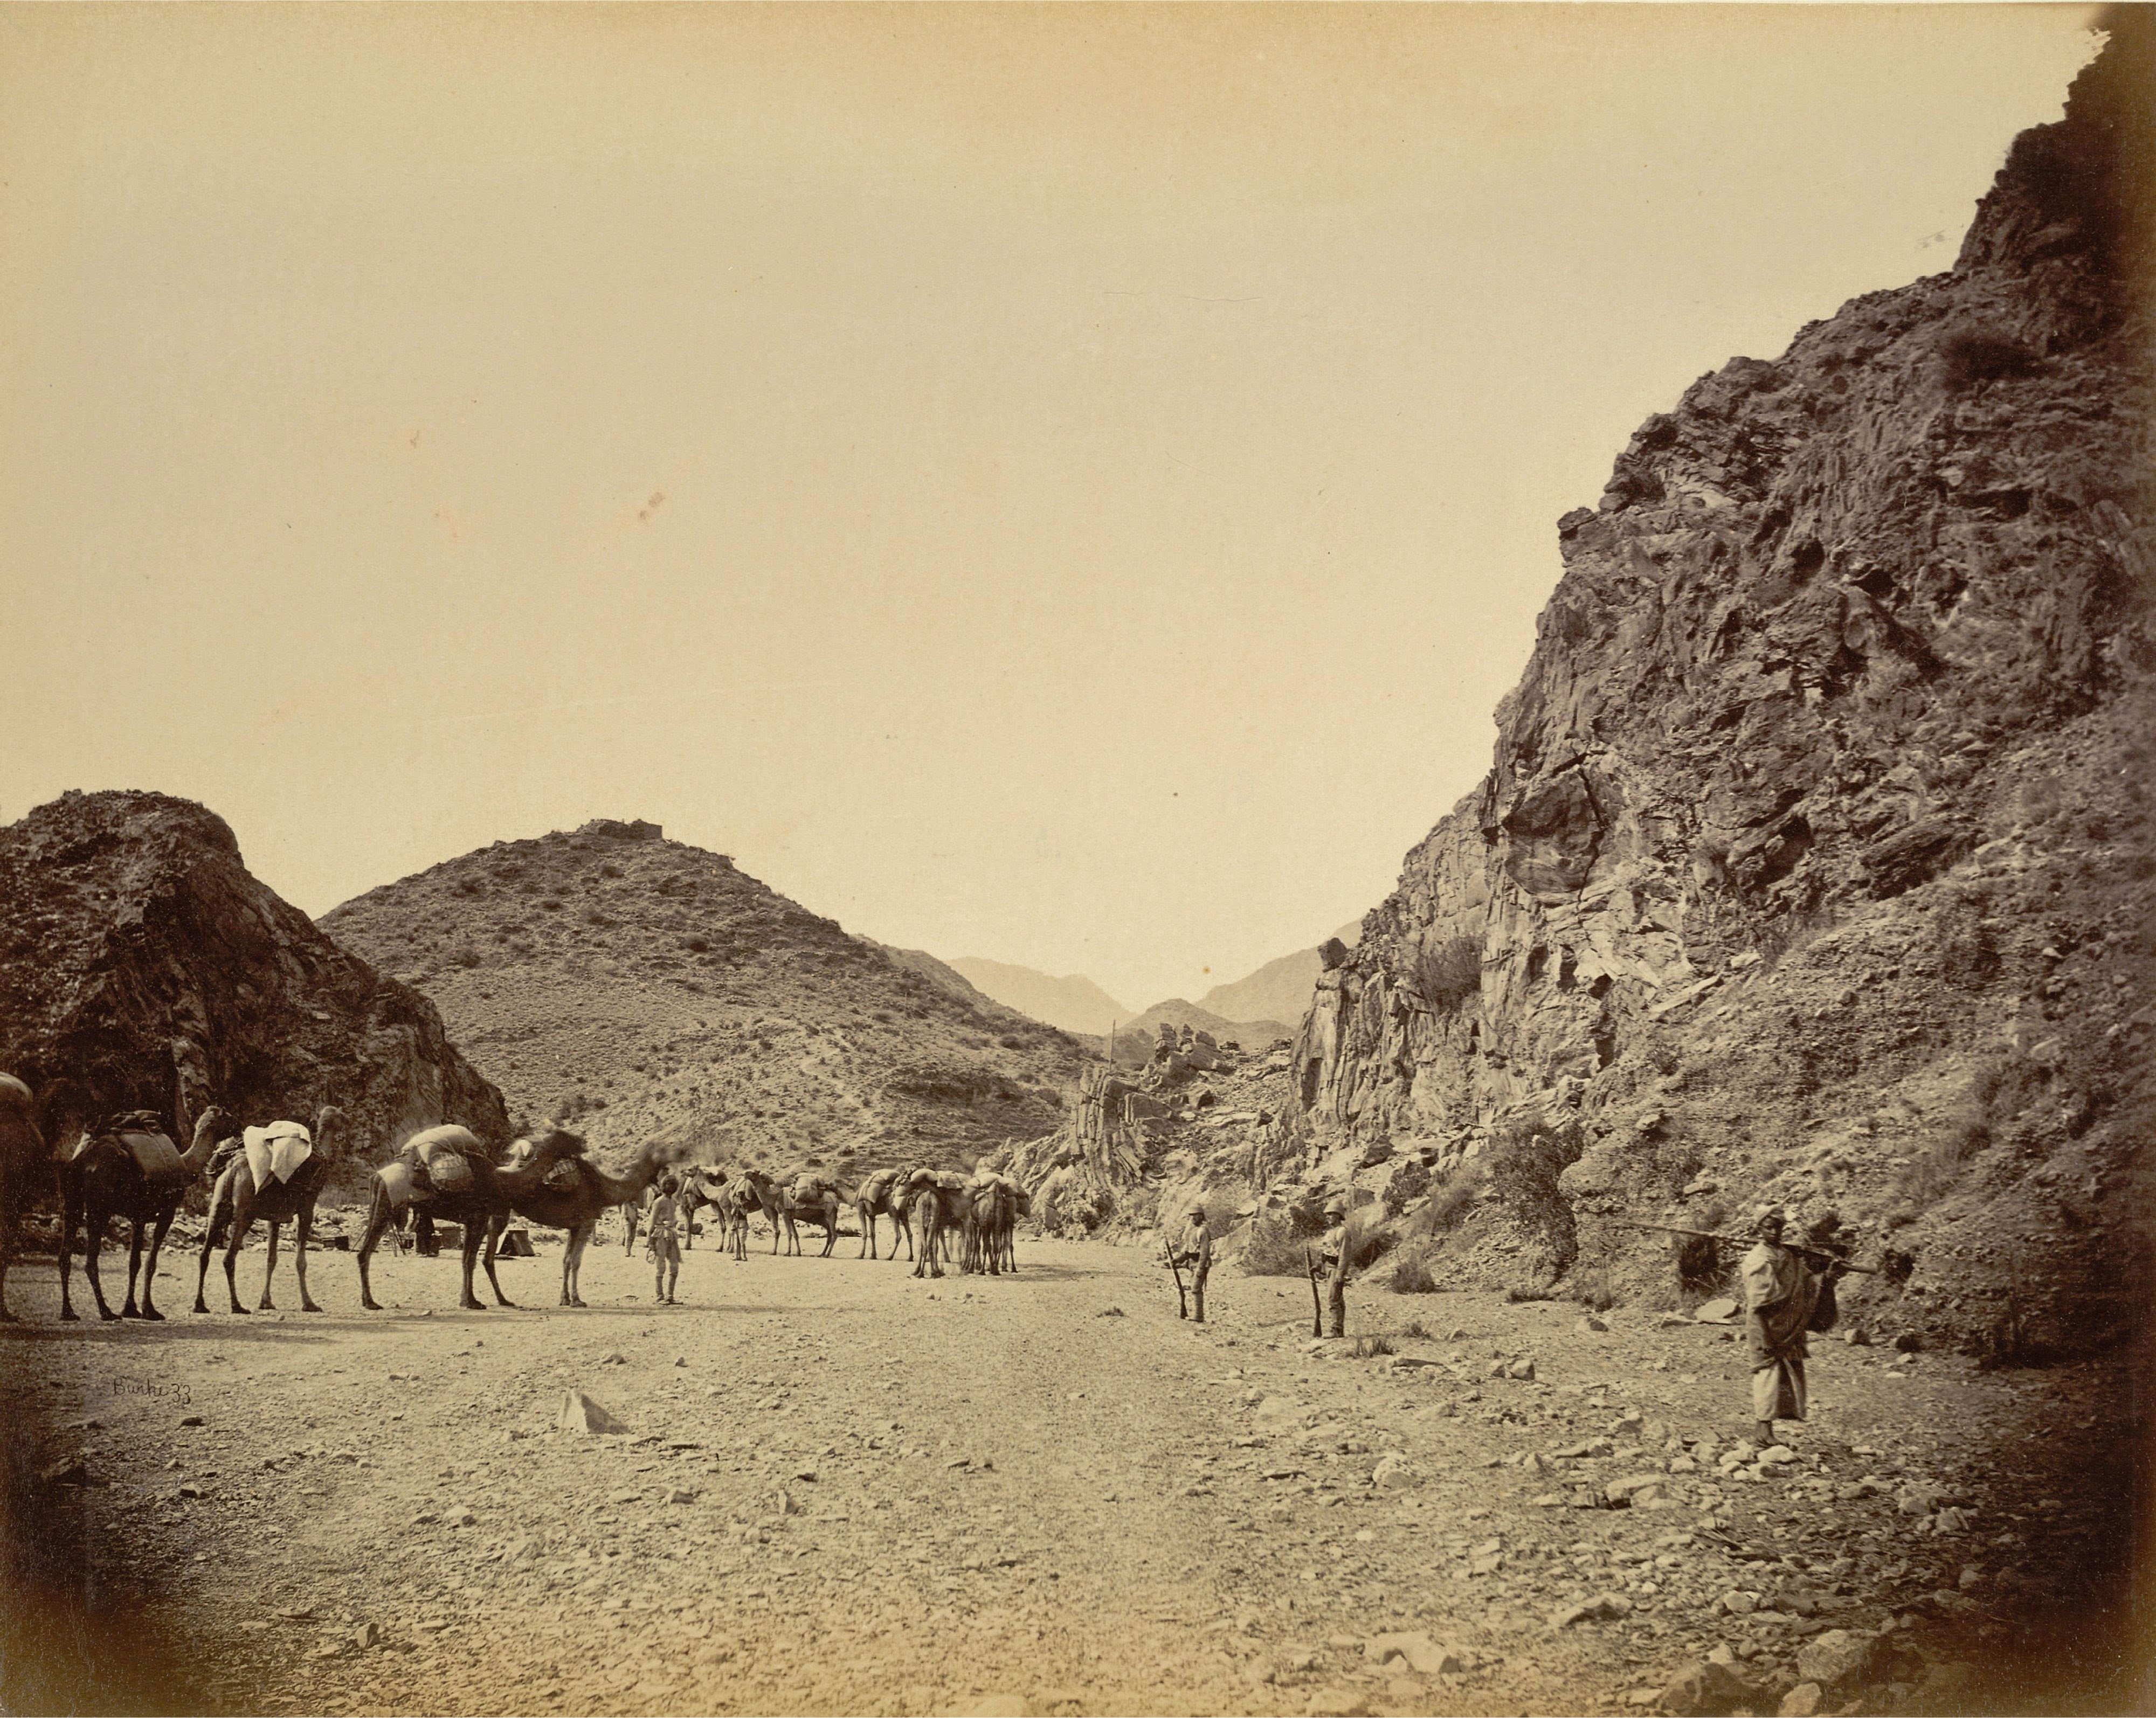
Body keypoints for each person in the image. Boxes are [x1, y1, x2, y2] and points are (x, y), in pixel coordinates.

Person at [1740, 1207, 1839, 1446]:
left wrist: (1826, 1278)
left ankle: (1764, 1432)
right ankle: (1763, 1432)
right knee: (1767, 1373)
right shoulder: (1757, 1259)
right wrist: (1767, 1335)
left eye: (1779, 1227)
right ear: (1759, 1229)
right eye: (1769, 1227)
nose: (1775, 1232)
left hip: (1786, 1326)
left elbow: (1805, 1283)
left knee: (1779, 1375)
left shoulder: (1786, 1255)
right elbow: (1762, 1301)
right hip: (1766, 1325)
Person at [1170, 1201, 1214, 1324]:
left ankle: (1199, 1316)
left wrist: (1200, 1268)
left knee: (1196, 1289)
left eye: (1196, 1215)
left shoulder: (1203, 1231)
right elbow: (1189, 1252)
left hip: (1201, 1263)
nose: (1193, 1218)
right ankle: (1195, 1315)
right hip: (1192, 1263)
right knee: (1193, 1289)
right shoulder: (1192, 1231)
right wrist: (1178, 1261)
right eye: (1191, 1215)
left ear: (1201, 1216)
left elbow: (1204, 1252)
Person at [646, 1173, 683, 1305]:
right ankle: (660, 1296)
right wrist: (649, 1239)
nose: (671, 1187)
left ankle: (670, 1296)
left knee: (674, 1265)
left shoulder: (673, 1202)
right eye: (669, 1185)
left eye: (673, 1185)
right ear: (664, 1186)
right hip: (660, 1234)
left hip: (671, 1234)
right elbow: (652, 1221)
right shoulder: (658, 1202)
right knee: (660, 1266)